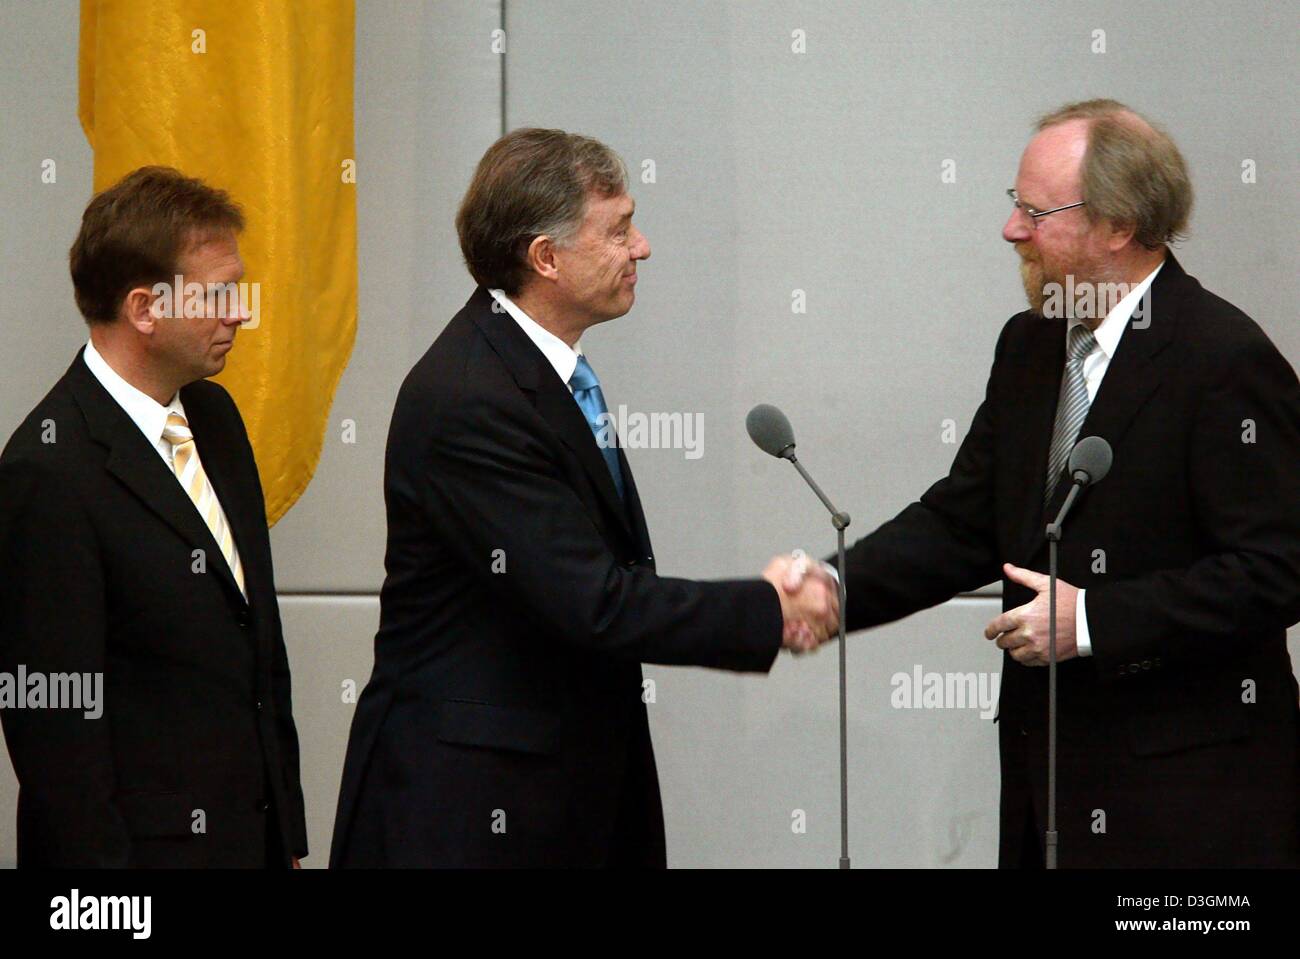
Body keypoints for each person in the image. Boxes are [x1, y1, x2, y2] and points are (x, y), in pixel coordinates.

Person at [804, 99, 1300, 867]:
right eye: (1016, 206)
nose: (1012, 230)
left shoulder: (1221, 357)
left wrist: (1094, 620)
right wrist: (826, 592)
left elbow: (1277, 569)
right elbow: (962, 522)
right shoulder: (1030, 344)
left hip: (1186, 812)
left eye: (1036, 212)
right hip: (1047, 793)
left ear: (1119, 226)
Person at [329, 128, 839, 868]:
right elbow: (593, 601)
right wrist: (767, 608)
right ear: (546, 258)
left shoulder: (538, 372)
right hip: (474, 813)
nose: (643, 247)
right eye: (620, 228)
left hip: (560, 790)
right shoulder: (471, 397)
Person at [0, 166, 308, 867]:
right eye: (220, 293)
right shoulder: (48, 471)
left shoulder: (215, 417)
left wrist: (284, 837)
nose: (240, 312)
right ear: (145, 308)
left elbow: (258, 645)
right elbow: (56, 737)